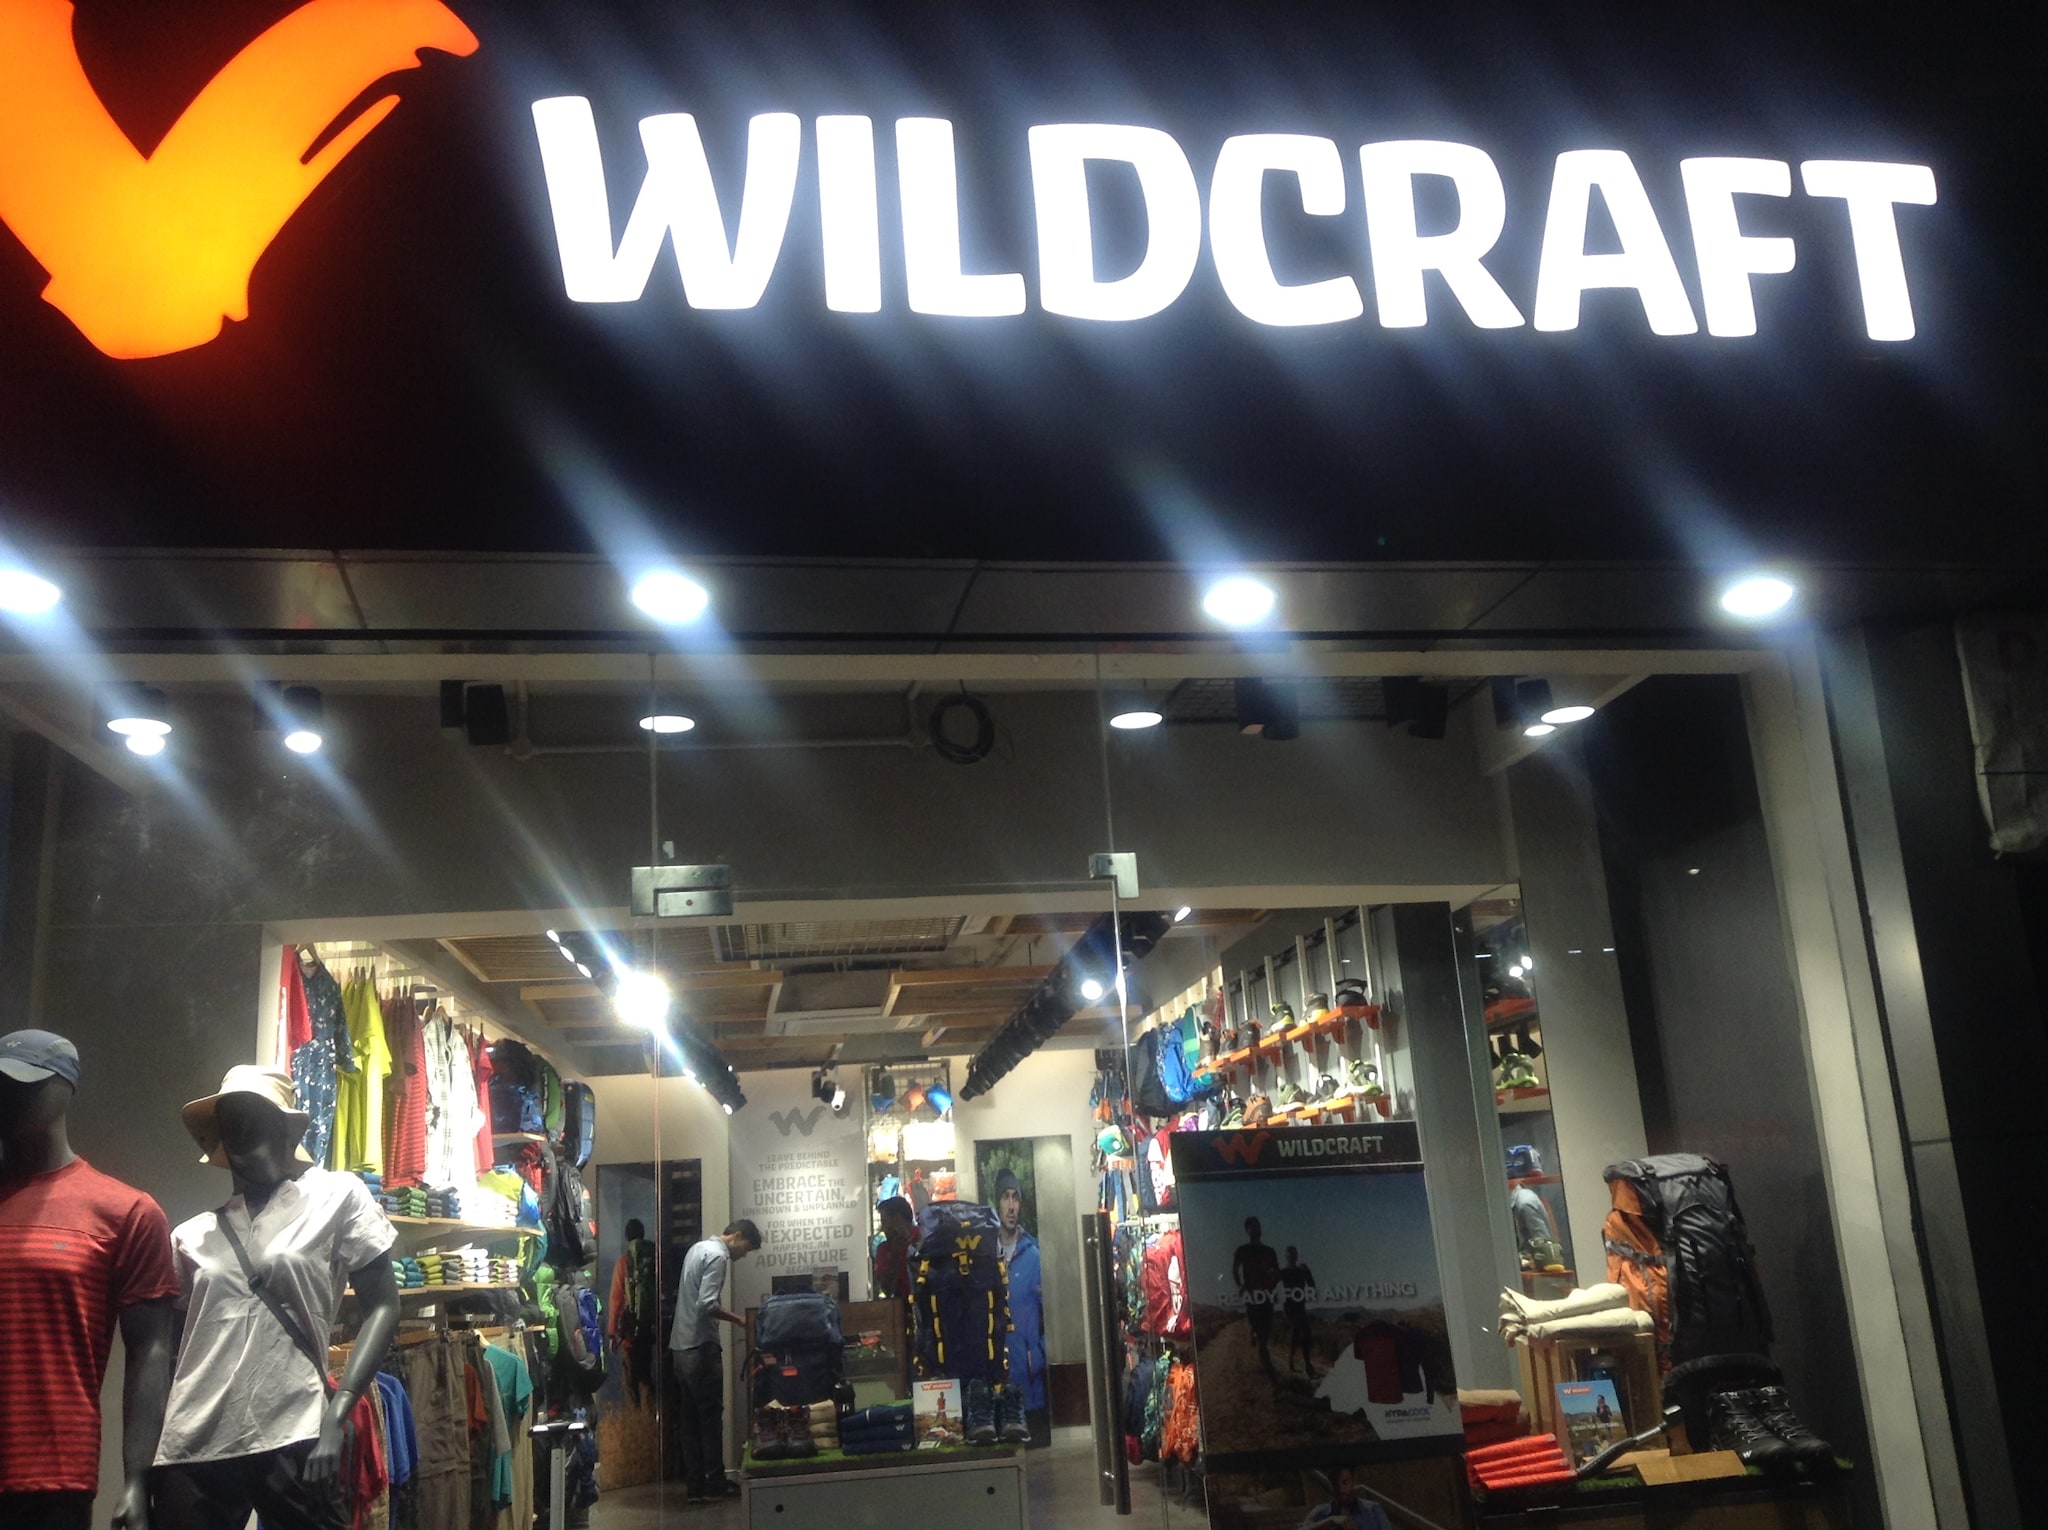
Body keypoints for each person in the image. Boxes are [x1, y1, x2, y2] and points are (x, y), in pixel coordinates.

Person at [152, 1066, 401, 1530]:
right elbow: (170, 1353)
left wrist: (340, 1410)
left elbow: (384, 1306)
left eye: (254, 1115)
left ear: (285, 1129)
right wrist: (143, 1464)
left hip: (296, 1428)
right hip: (196, 1440)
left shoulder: (335, 1196)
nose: (240, 1129)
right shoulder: (190, 1237)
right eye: (230, 1120)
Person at [0, 1030, 178, 1530]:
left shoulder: (124, 1212)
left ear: (64, 1090)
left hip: (49, 1476)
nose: (6, 1098)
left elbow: (150, 1352)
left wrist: (138, 1480)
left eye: (21, 1085)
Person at [668, 1219, 762, 1504]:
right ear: (737, 1236)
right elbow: (707, 1304)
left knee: (689, 1419)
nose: (742, 1256)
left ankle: (695, 1486)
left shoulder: (696, 1249)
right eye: (746, 1248)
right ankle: (715, 1483)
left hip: (680, 1346)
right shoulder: (719, 1256)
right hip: (701, 1347)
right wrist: (740, 1321)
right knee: (710, 1418)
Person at [993, 1168, 1049, 1447]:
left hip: (1030, 1390)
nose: (1011, 1205)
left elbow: (1054, 1317)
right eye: (1006, 1197)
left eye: (1016, 1197)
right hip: (996, 1390)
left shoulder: (1035, 1256)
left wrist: (1037, 1356)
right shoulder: (985, 1256)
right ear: (997, 1203)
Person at [608, 1218, 658, 1407]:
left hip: (630, 1332)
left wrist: (612, 1333)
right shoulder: (654, 1259)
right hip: (651, 1329)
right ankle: (652, 1415)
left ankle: (636, 1414)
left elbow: (616, 1299)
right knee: (648, 1374)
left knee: (631, 1377)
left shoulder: (624, 1262)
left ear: (627, 1237)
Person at [1232, 1216, 1282, 1379]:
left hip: (1265, 1296)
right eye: (1252, 1227)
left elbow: (1277, 1272)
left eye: (1257, 1226)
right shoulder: (1243, 1250)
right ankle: (1271, 1374)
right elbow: (1235, 1269)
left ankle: (1256, 1335)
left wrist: (1271, 1286)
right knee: (1261, 1335)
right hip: (1252, 1296)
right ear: (1247, 1230)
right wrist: (1241, 1287)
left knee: (1265, 1331)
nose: (1255, 1229)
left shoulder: (1269, 1251)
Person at [1298, 1465, 1393, 1529]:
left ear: (1354, 1481)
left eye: (1345, 1482)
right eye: (1335, 1483)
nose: (1340, 1489)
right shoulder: (1320, 1512)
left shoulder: (1373, 1510)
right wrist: (1330, 1521)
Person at [1279, 1244, 1318, 1380]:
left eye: (1294, 1254)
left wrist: (1308, 1272)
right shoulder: (1283, 1272)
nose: (1293, 1257)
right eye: (1290, 1254)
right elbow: (1271, 1283)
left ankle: (1297, 1361)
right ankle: (1306, 1365)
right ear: (1286, 1256)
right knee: (1299, 1330)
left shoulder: (1302, 1271)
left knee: (1302, 1333)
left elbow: (1312, 1285)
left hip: (1300, 1307)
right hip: (1289, 1307)